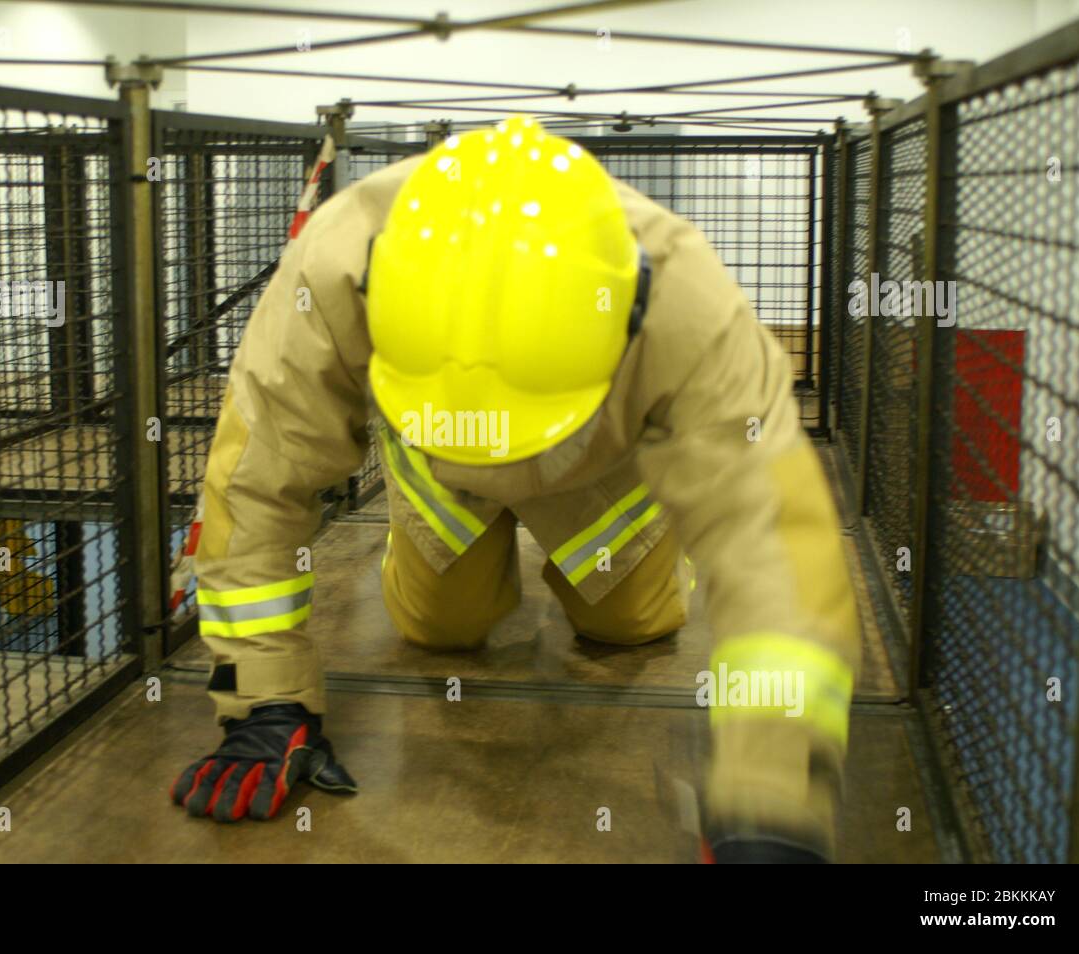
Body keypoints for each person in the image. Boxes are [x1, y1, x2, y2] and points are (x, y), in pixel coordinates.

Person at [169, 116, 859, 863]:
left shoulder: (685, 297)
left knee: (633, 627)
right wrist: (267, 700)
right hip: (439, 472)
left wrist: (771, 803)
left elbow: (773, 542)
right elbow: (258, 482)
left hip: (598, 480)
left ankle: (644, 566)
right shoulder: (331, 266)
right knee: (439, 632)